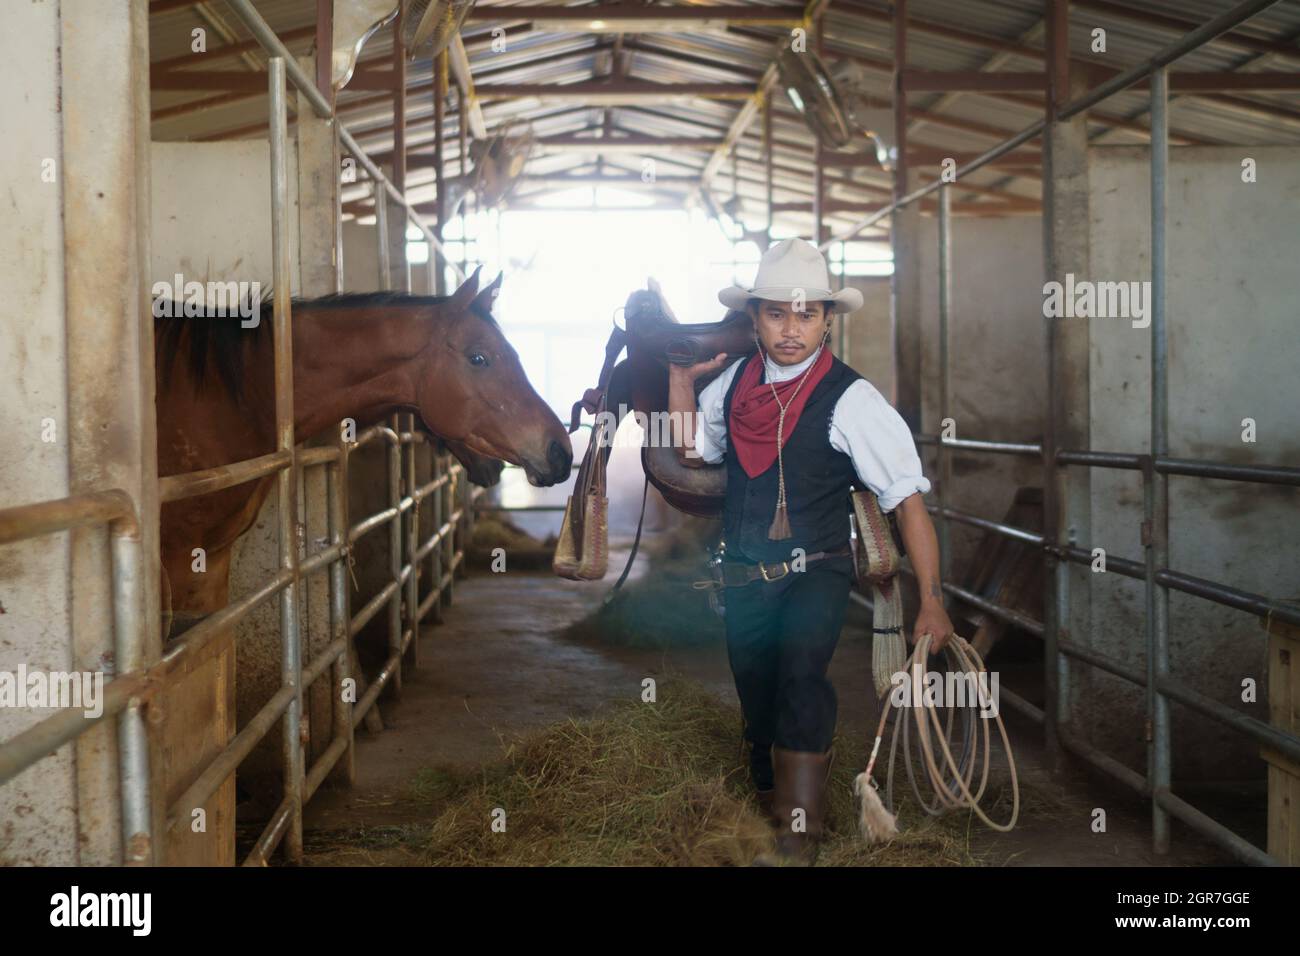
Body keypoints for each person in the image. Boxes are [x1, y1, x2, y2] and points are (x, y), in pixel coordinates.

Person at [666, 238, 955, 865]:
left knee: (802, 680)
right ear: (755, 318)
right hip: (744, 576)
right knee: (758, 704)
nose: (791, 329)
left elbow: (907, 502)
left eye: (806, 315)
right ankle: (771, 795)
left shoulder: (854, 400)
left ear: (827, 319)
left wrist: (931, 602)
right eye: (776, 314)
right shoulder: (733, 386)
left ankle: (799, 841)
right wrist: (681, 380)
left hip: (815, 573)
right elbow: (693, 452)